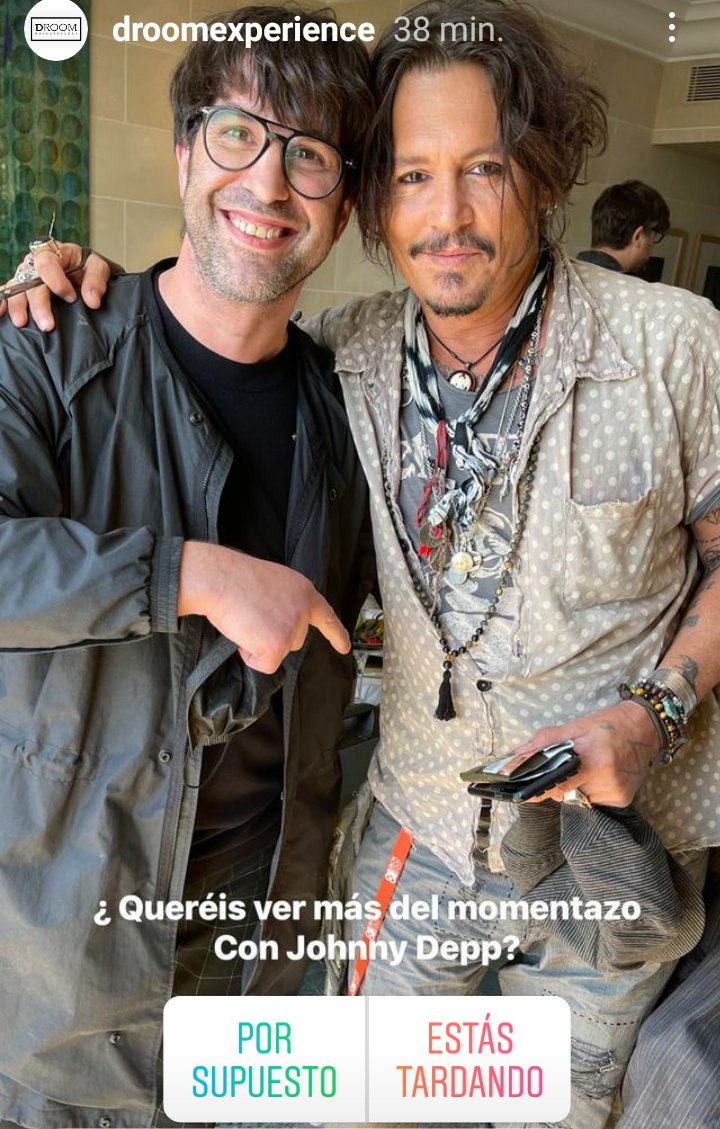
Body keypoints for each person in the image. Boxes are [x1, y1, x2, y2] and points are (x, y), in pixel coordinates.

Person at [9, 1, 720, 1126]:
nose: (449, 214)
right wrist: (62, 277)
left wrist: (655, 710)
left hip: (548, 877)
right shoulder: (284, 356)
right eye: (412, 175)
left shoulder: (651, 346)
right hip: (311, 882)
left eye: (484, 168)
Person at [0, 6, 374, 1128]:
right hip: (55, 971)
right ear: (182, 152)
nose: (269, 183)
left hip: (252, 956)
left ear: (342, 205)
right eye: (237, 133)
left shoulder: (351, 412)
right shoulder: (48, 346)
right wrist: (190, 574)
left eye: (310, 155)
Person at [576, 179, 671, 274]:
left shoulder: (569, 273)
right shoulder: (624, 283)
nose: (652, 248)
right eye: (654, 237)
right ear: (638, 236)